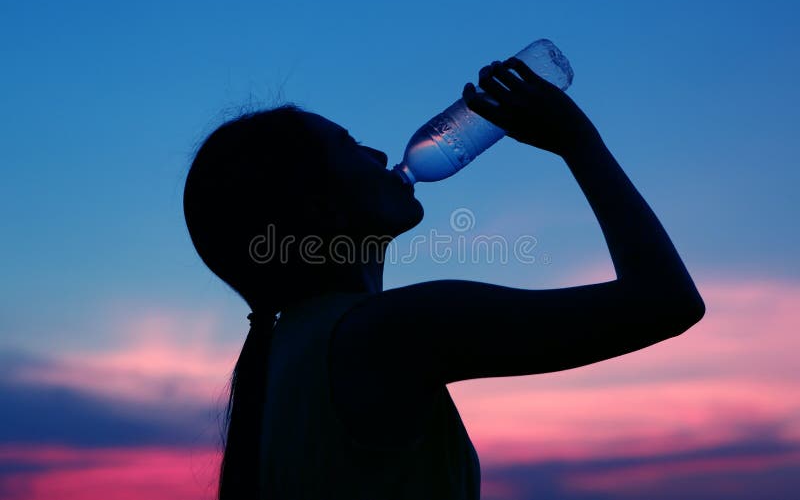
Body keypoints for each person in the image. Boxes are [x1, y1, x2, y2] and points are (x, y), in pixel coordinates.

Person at [183, 57, 705, 500]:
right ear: (318, 205)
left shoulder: (288, 354)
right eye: (350, 145)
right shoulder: (390, 331)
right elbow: (666, 302)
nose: (379, 155)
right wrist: (578, 141)